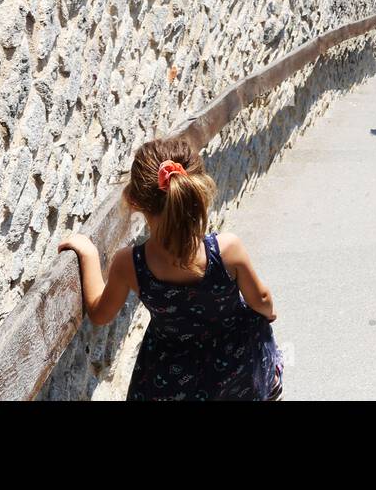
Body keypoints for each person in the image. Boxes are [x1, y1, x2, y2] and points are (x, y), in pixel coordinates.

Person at [58, 138, 283, 401]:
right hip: (238, 371)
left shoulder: (130, 264)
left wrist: (88, 253)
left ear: (133, 201)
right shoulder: (227, 249)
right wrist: (268, 312)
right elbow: (262, 299)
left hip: (173, 381)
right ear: (196, 191)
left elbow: (99, 313)